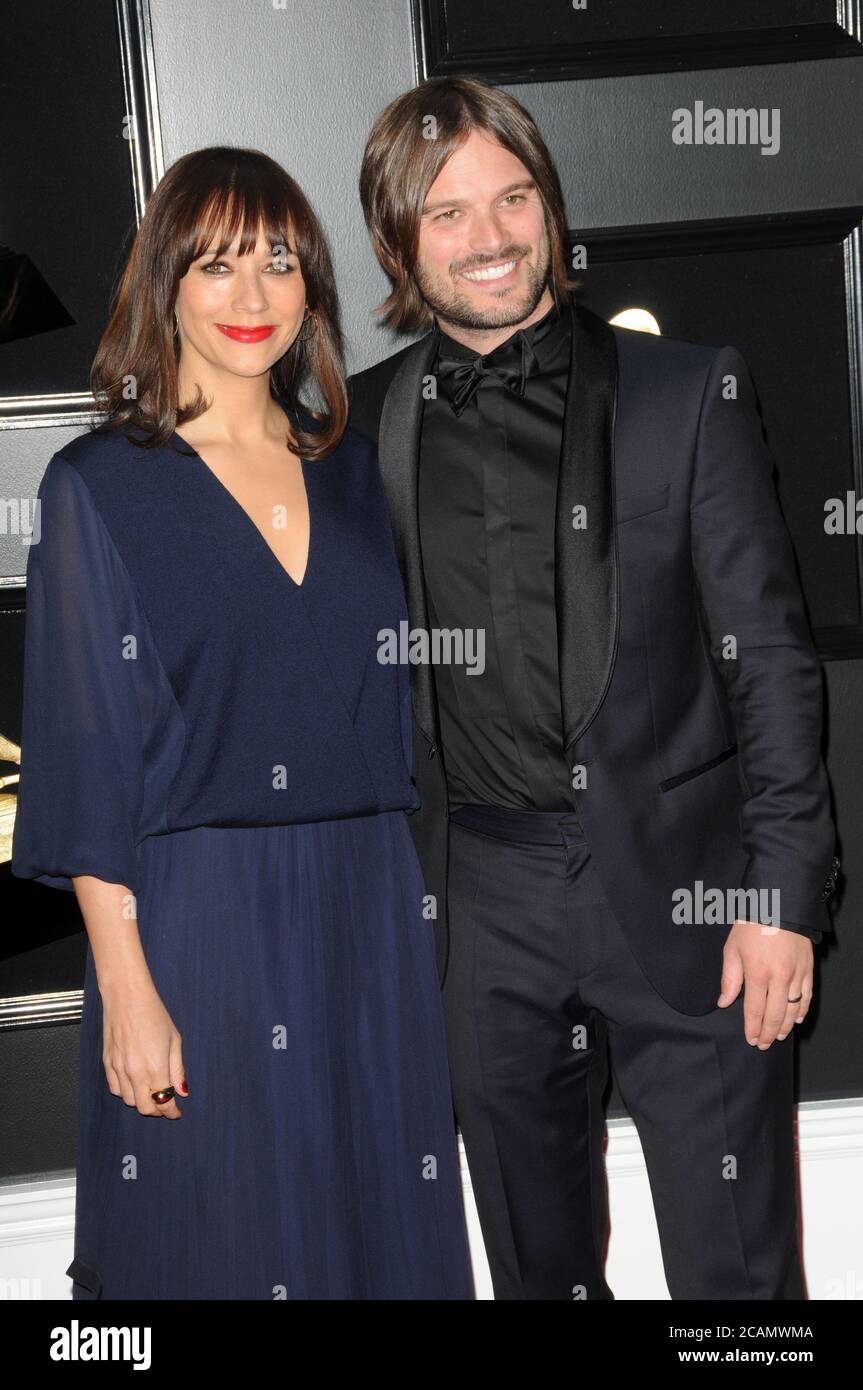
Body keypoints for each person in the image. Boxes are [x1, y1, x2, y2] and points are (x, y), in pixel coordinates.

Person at [347, 77, 840, 1300]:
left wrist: (781, 893)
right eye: (448, 212)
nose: (492, 234)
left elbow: (770, 659)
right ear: (398, 241)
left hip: (692, 891)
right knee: (535, 1273)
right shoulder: (354, 432)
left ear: (549, 204)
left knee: (736, 1281)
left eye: (512, 196)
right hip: (479, 907)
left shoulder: (686, 393)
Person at [12, 145, 474, 1301]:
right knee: (215, 1230)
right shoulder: (98, 485)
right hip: (196, 919)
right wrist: (125, 983)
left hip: (368, 904)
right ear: (164, 284)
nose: (252, 297)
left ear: (310, 284)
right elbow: (84, 759)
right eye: (215, 265)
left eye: (276, 262)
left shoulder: (363, 473)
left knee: (372, 1230)